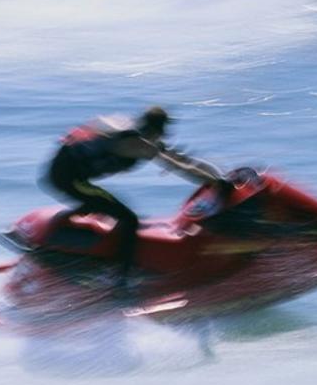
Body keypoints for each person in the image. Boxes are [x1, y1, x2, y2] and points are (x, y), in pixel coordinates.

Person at [42, 106, 226, 298]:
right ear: (157, 130)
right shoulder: (136, 143)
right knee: (129, 219)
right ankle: (120, 281)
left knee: (105, 205)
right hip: (67, 178)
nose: (165, 135)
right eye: (164, 130)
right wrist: (214, 182)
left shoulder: (134, 130)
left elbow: (184, 159)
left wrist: (220, 177)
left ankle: (85, 224)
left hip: (66, 171)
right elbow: (179, 166)